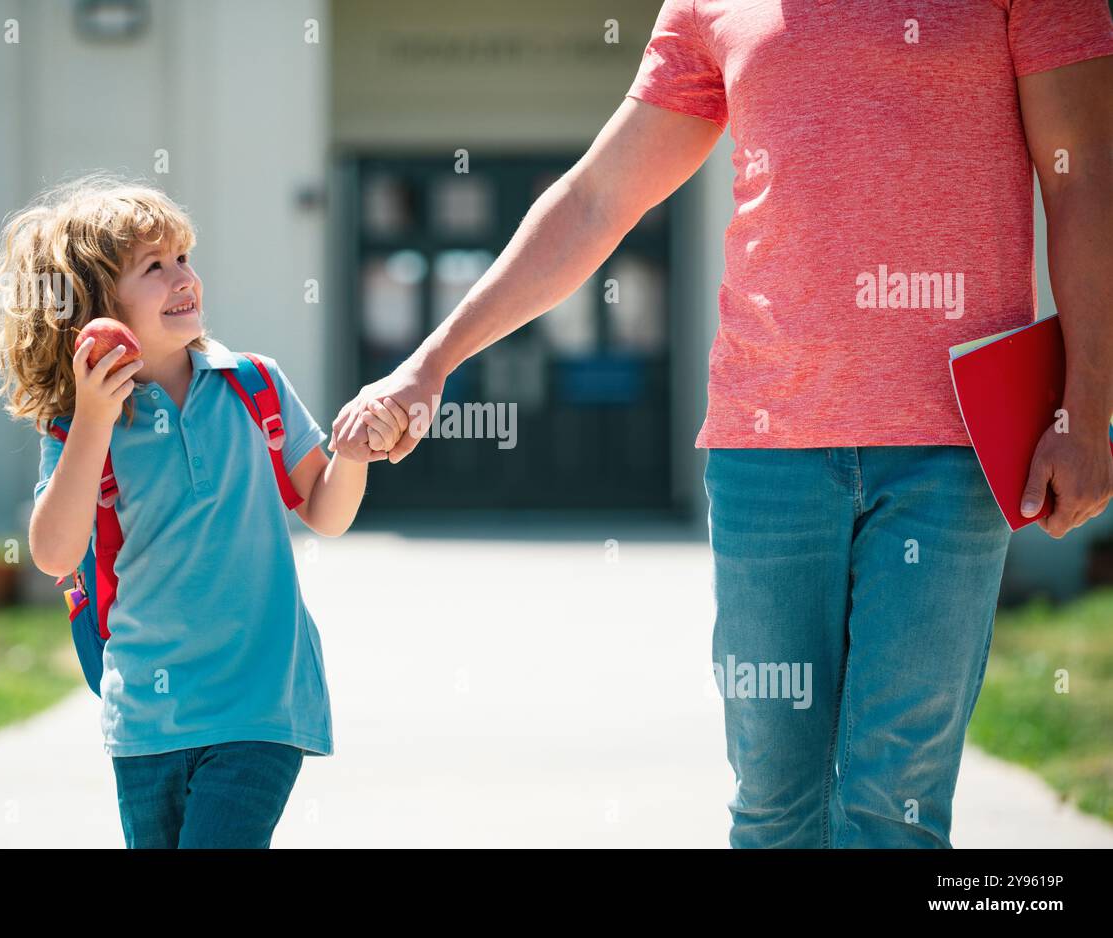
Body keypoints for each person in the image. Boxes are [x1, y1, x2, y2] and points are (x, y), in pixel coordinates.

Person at [332, 1, 1113, 847]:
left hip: (954, 446)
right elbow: (598, 199)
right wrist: (434, 359)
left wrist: (1089, 406)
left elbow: (1085, 177)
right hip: (766, 451)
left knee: (897, 806)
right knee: (775, 806)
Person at [0, 174, 403, 848]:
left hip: (260, 708)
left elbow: (326, 510)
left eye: (184, 257)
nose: (185, 278)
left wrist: (350, 455)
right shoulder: (78, 428)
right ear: (95, 307)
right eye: (154, 267)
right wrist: (92, 418)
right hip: (146, 719)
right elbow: (56, 552)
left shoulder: (253, 384)